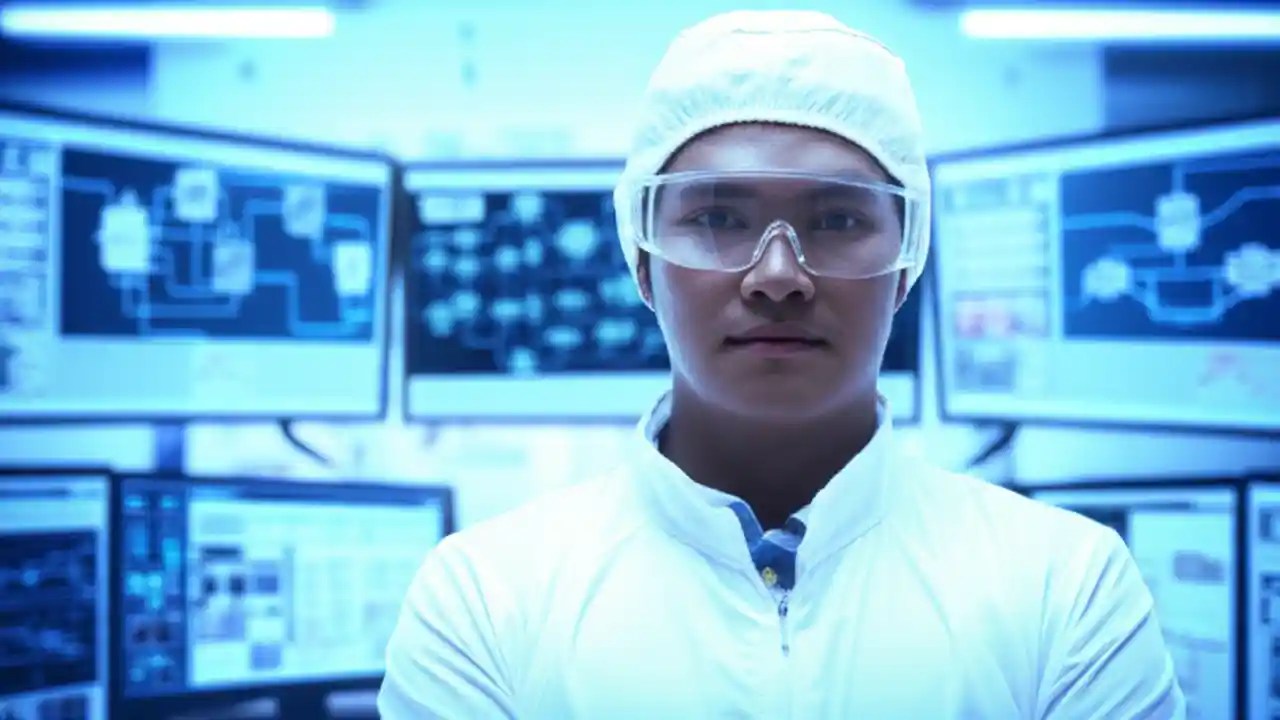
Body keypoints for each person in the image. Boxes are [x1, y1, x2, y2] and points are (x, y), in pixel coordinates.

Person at [378, 10, 1185, 719]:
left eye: (835, 218)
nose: (777, 275)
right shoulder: (486, 598)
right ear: (642, 264)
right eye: (718, 217)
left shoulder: (1065, 589)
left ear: (906, 263)